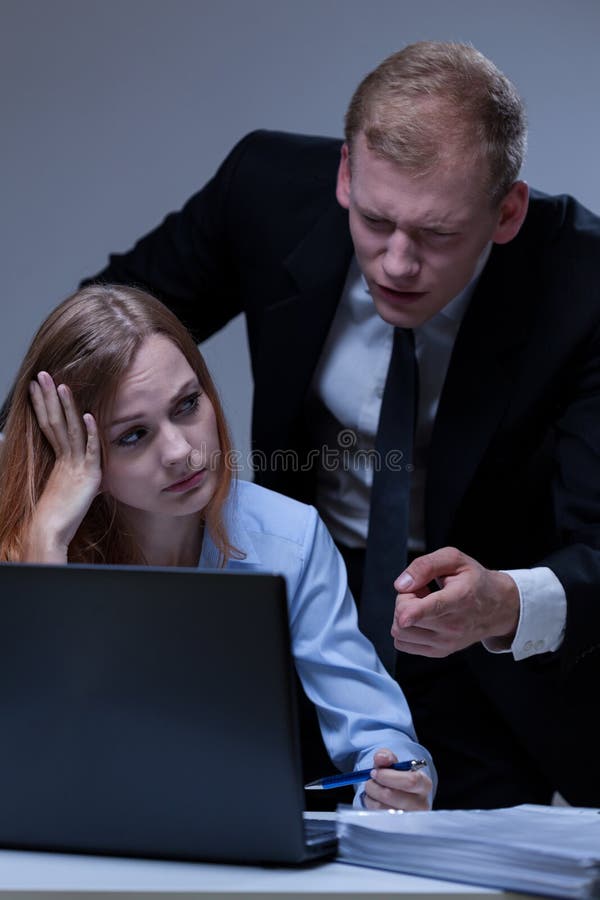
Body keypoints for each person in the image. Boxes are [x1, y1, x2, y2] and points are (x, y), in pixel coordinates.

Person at [6, 40, 600, 808]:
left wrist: (506, 603)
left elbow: (595, 538)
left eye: (437, 235)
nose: (396, 262)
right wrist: (33, 490)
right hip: (261, 617)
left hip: (479, 645)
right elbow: (95, 350)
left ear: (507, 211)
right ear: (346, 177)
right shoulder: (265, 189)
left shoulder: (582, 285)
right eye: (378, 221)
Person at [0, 282, 435, 813]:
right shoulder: (24, 547)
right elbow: (31, 753)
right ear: (72, 453)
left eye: (187, 405)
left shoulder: (287, 538)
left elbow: (379, 733)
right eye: (133, 435)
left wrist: (396, 779)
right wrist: (46, 547)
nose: (182, 452)